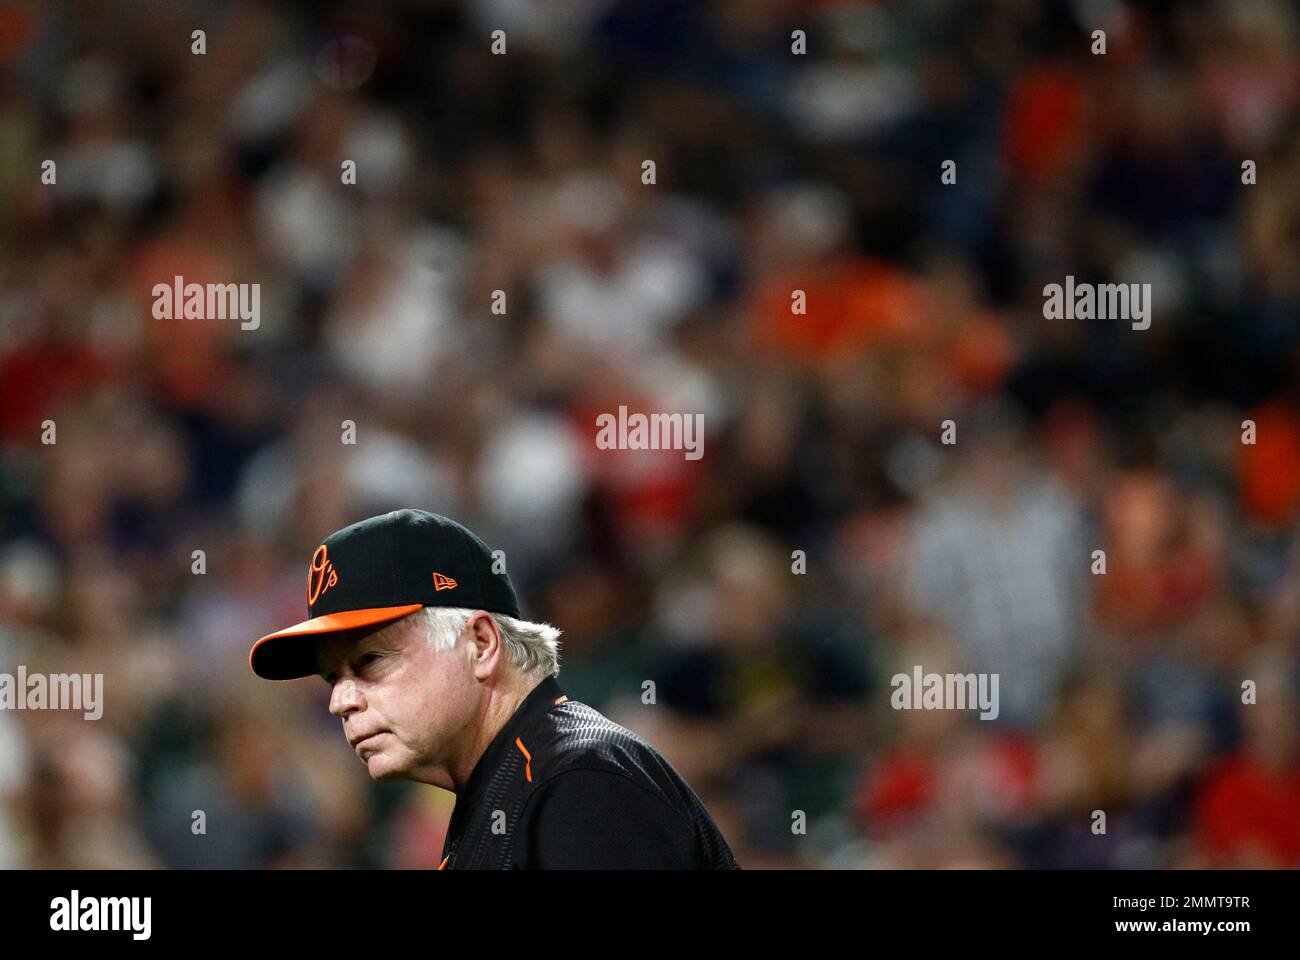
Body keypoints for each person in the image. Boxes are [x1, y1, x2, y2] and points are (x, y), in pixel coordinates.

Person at [248, 508, 741, 869]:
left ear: (481, 644)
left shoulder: (579, 782)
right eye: (333, 677)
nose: (340, 700)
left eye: (370, 661)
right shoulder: (510, 783)